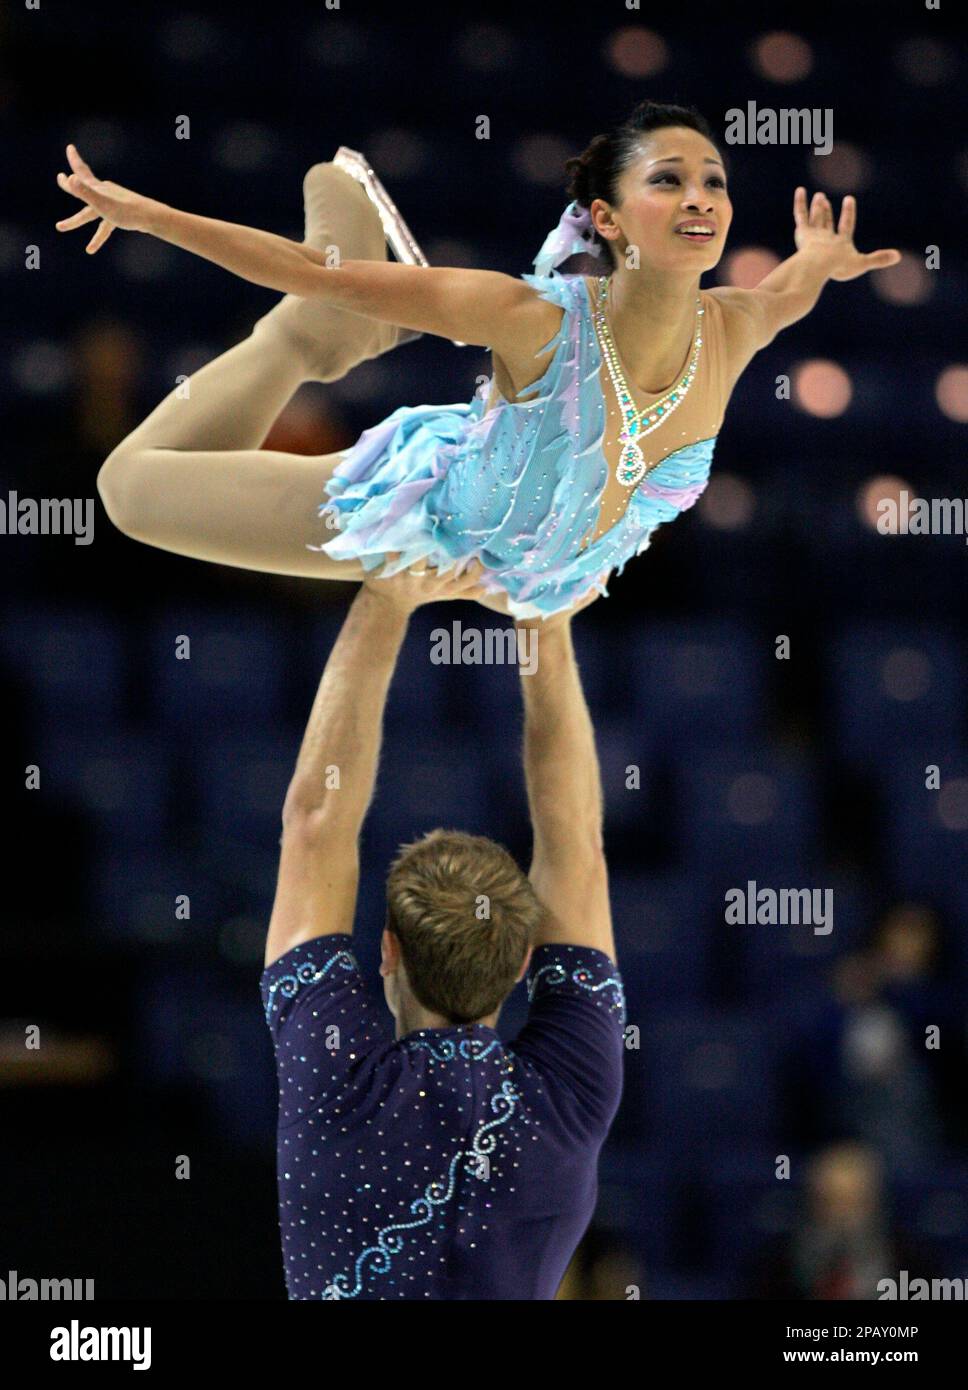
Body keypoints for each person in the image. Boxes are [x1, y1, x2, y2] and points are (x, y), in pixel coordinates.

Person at [56, 101, 901, 618]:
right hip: (419, 522)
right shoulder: (530, 320)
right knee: (127, 490)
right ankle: (307, 338)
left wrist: (820, 256)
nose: (700, 199)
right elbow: (319, 271)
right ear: (605, 219)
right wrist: (151, 216)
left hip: (518, 581)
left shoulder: (732, 328)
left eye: (713, 182)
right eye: (669, 180)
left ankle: (317, 334)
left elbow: (787, 295)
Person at [257, 562, 624, 1300]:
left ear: (387, 949)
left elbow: (317, 823)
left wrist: (391, 595)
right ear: (526, 960)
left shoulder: (335, 1082)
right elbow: (576, 842)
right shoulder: (571, 1095)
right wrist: (542, 622)